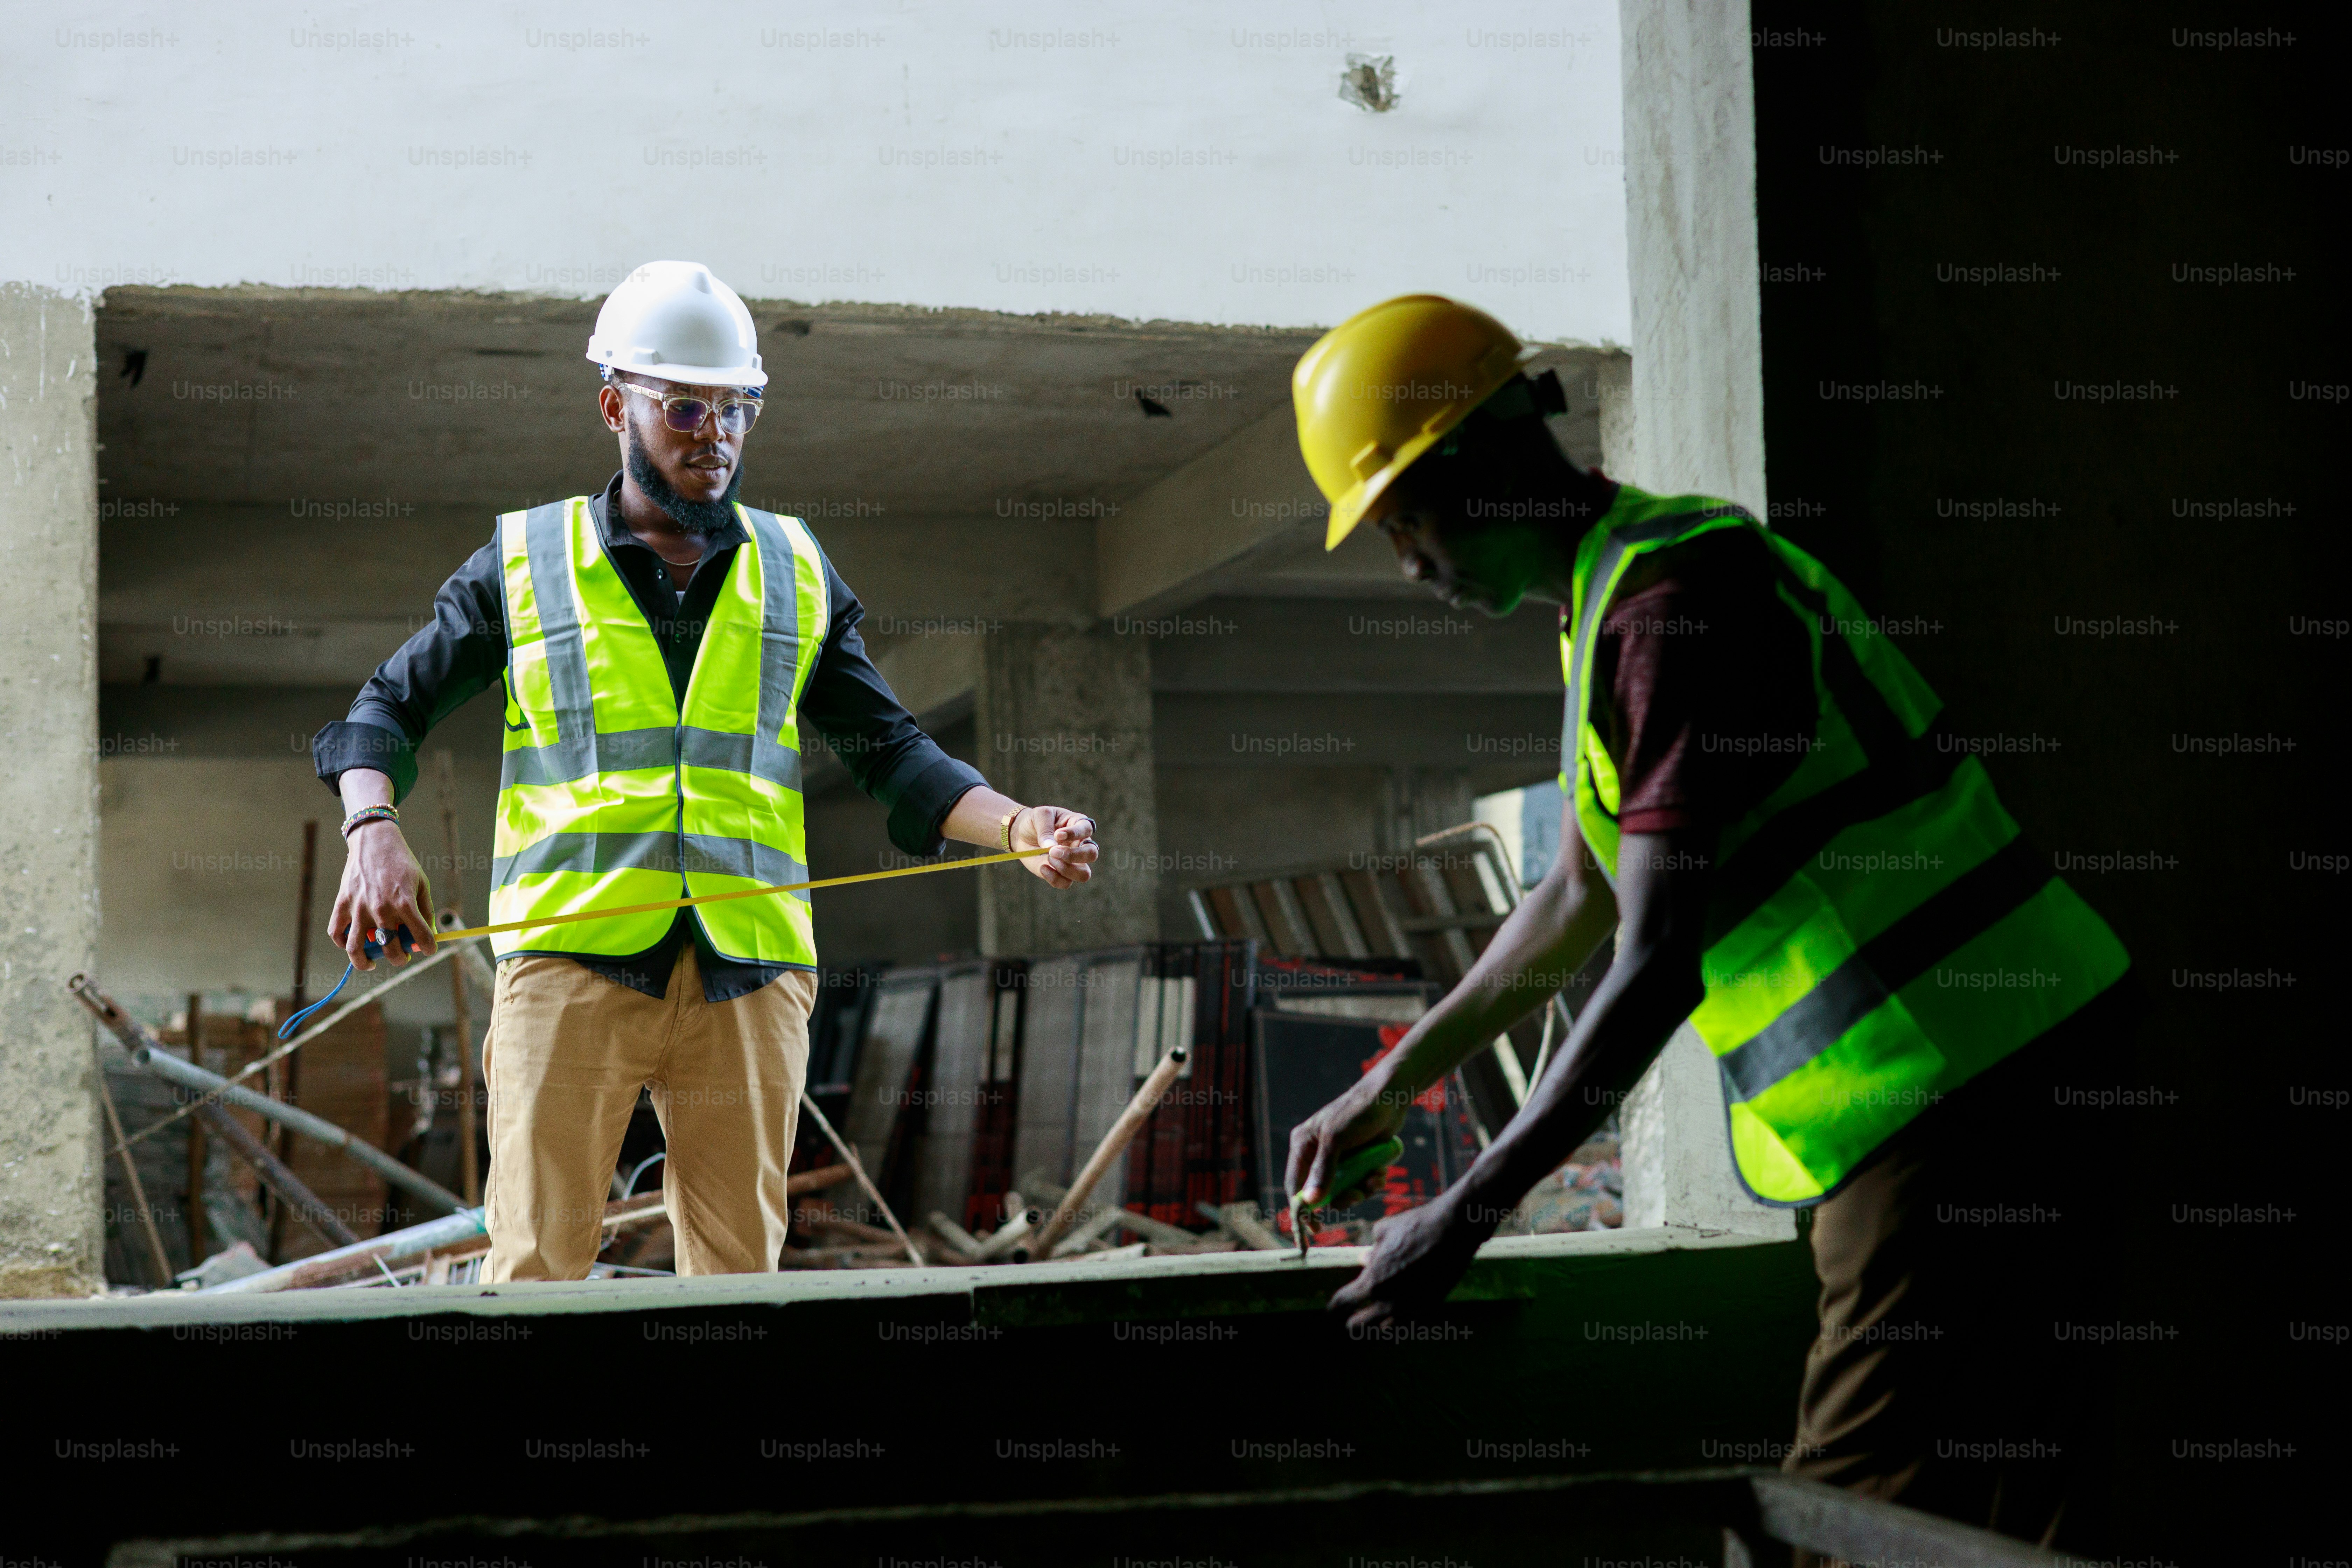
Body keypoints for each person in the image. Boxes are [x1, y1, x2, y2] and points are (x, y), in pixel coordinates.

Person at [1283, 294, 2134, 1550]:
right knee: (2013, 1504)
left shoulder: (1670, 605)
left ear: (1471, 467)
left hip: (1948, 1091)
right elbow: (1575, 895)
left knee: (1840, 1515)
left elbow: (1653, 962)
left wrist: (1464, 1214)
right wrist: (1399, 1081)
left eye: (1402, 524)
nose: (1409, 566)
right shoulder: (1615, 594)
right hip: (1993, 1066)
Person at [314, 260, 1098, 1281]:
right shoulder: (525, 562)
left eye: (738, 409)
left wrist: (1018, 826)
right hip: (569, 959)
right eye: (685, 405)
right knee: (538, 1267)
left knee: (738, 1281)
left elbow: (894, 753)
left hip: (750, 970)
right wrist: (372, 831)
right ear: (616, 406)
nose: (714, 433)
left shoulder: (796, 568)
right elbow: (384, 712)